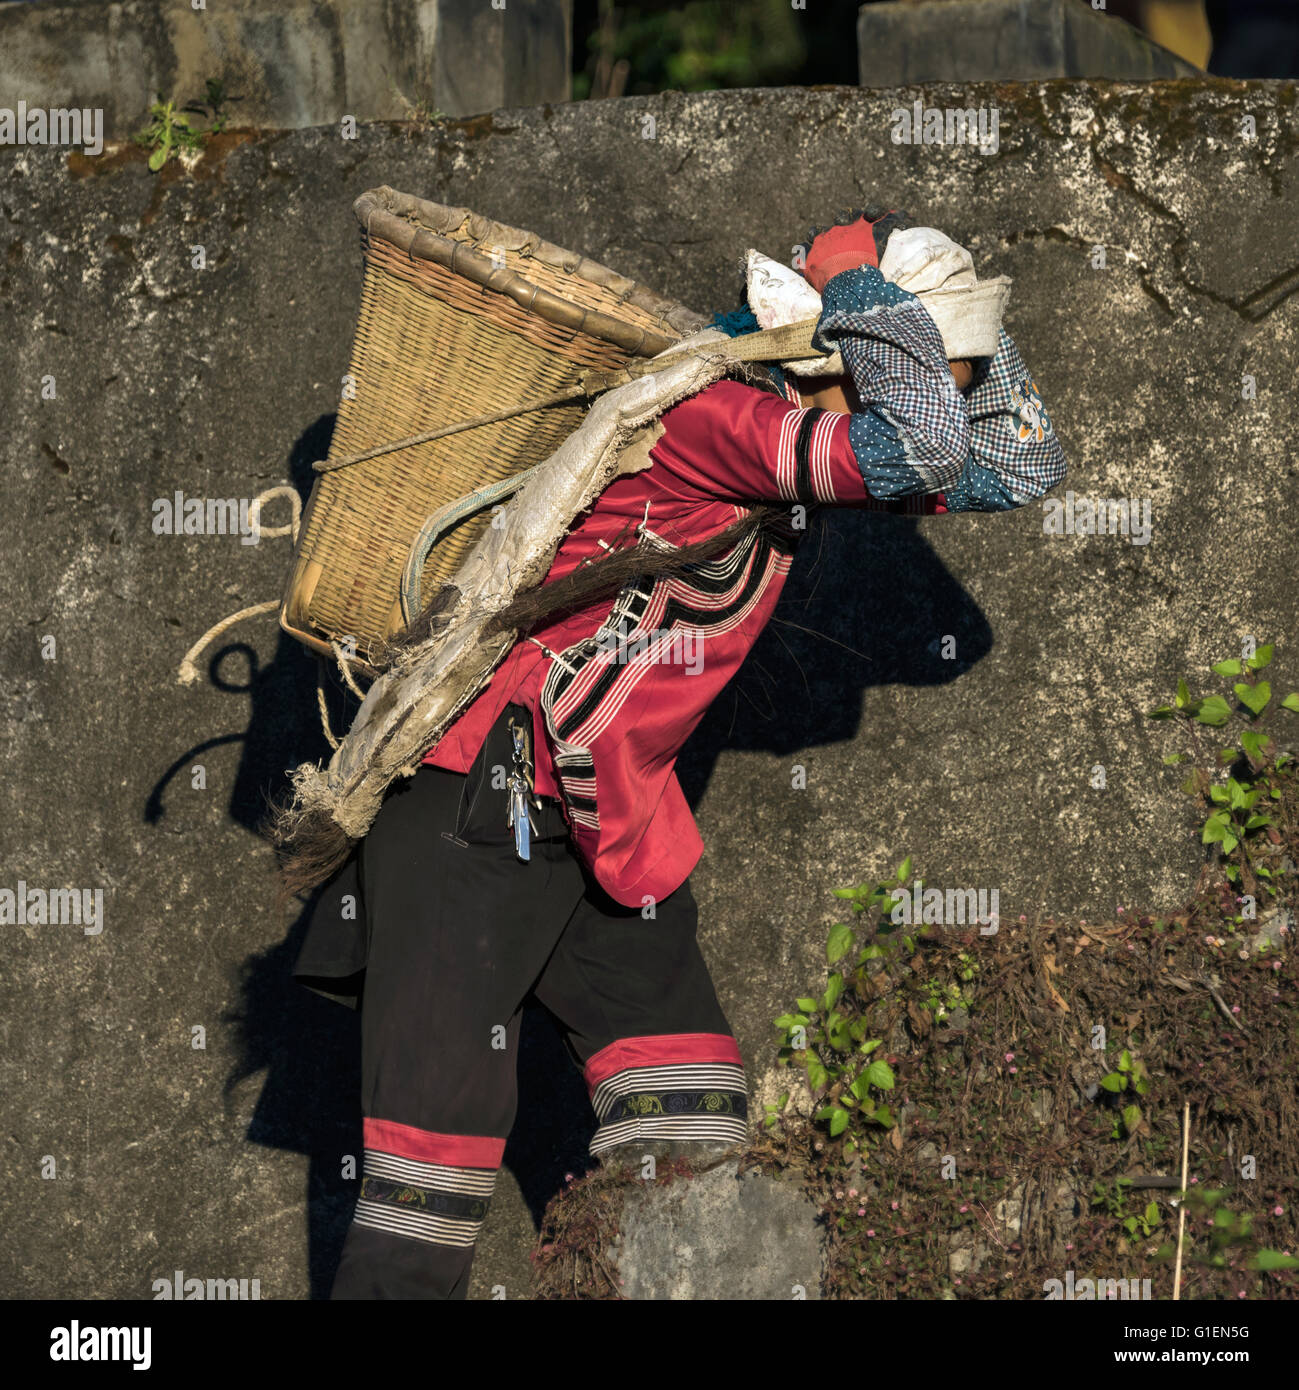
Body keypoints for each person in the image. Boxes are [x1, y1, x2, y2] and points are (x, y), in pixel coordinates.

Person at [292, 206, 1068, 1299]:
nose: (927, 390)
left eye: (937, 368)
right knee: (426, 1186)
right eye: (912, 367)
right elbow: (926, 439)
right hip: (486, 801)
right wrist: (853, 281)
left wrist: (951, 324)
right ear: (827, 352)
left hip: (602, 817)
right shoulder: (714, 415)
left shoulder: (801, 434)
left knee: (693, 1138)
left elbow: (1024, 460)